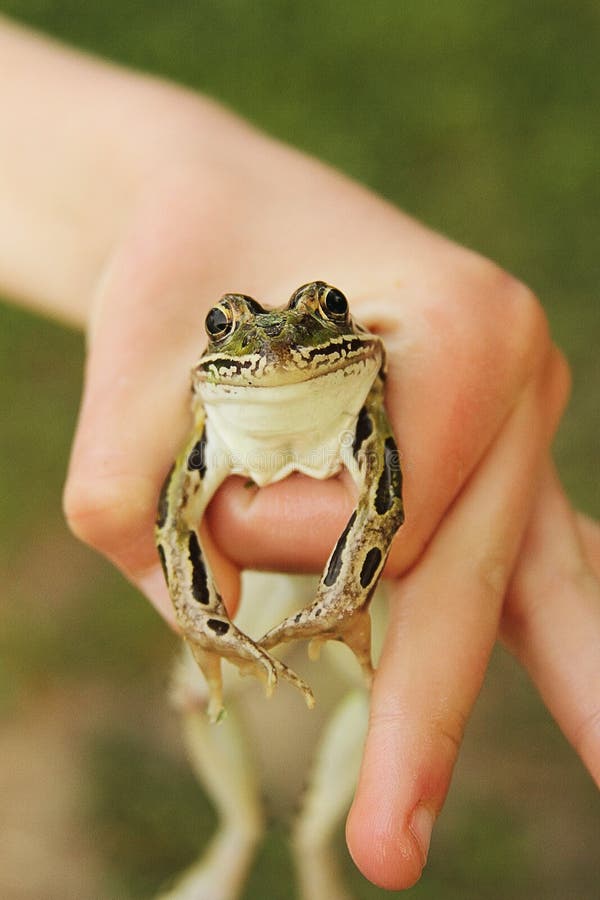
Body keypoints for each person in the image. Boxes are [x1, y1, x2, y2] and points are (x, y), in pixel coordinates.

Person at [1, 16, 598, 891]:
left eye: (321, 314)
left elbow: (382, 506)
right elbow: (173, 520)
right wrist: (203, 620)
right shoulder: (208, 412)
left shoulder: (364, 398)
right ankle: (239, 831)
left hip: (335, 532)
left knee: (374, 674)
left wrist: (169, 173)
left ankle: (300, 832)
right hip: (244, 499)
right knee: (201, 688)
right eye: (231, 330)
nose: (279, 345)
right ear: (209, 355)